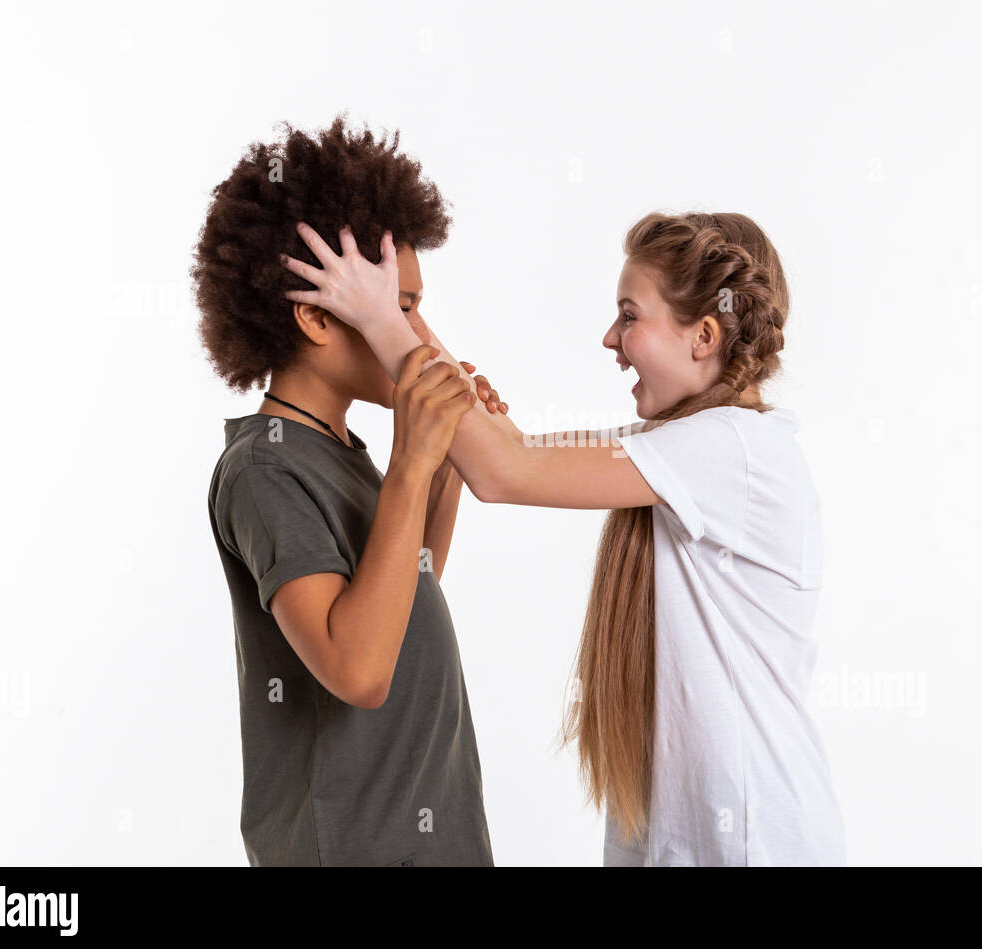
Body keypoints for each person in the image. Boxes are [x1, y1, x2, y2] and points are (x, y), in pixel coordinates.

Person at [279, 210, 849, 866]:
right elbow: (511, 449)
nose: (611, 337)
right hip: (687, 834)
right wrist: (408, 325)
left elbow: (503, 471)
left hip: (752, 839)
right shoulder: (684, 451)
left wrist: (382, 318)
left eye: (630, 316)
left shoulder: (735, 448)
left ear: (704, 335)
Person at [193, 116, 511, 866]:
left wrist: (443, 471)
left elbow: (405, 592)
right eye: (400, 307)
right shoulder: (264, 470)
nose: (424, 336)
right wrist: (410, 462)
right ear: (312, 315)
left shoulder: (340, 451)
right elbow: (359, 668)